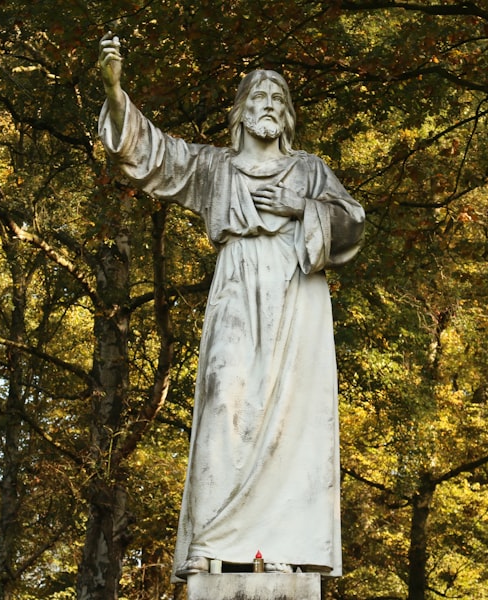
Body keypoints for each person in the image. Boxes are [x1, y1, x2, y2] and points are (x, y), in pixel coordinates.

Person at [98, 33, 365, 581]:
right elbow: (155, 156)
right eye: (258, 97)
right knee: (225, 398)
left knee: (291, 418)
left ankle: (283, 544)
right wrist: (116, 94)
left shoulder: (310, 170)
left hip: (296, 293)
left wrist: (301, 206)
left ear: (287, 116)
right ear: (240, 112)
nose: (269, 106)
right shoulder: (215, 167)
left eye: (278, 99)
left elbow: (353, 222)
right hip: (239, 285)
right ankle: (213, 540)